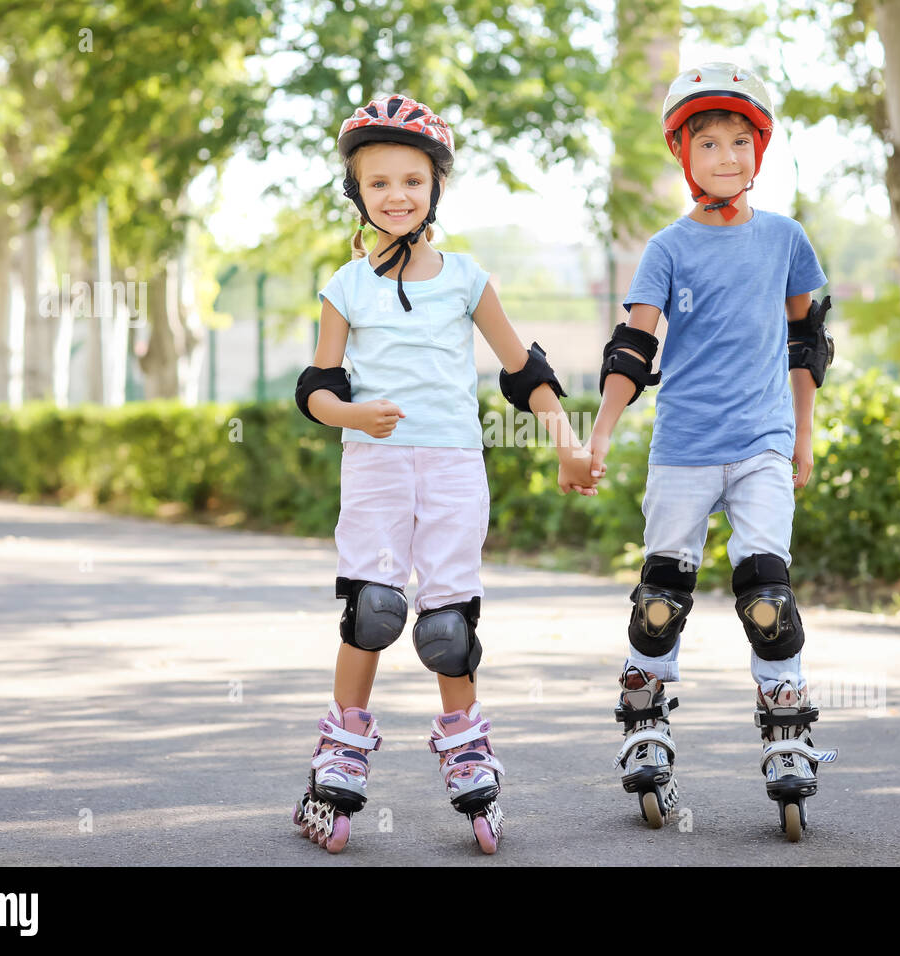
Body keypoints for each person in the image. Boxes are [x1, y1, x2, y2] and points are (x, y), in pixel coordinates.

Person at [291, 93, 594, 854]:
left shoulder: (465, 277)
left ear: (436, 190)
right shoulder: (346, 286)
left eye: (412, 181)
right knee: (372, 610)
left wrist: (566, 438)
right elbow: (316, 388)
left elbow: (523, 369)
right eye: (379, 182)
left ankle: (467, 750)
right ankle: (340, 754)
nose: (396, 195)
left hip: (455, 466)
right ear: (358, 194)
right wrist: (353, 415)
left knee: (448, 626)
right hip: (377, 465)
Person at [584, 63, 838, 841]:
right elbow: (633, 346)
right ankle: (643, 714)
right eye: (708, 142)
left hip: (761, 440)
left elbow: (806, 342)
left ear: (758, 152)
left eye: (739, 141)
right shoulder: (667, 247)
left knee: (767, 591)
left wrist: (803, 430)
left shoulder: (785, 239)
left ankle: (788, 727)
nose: (725, 156)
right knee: (663, 596)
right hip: (685, 445)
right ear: (683, 155)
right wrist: (598, 436)